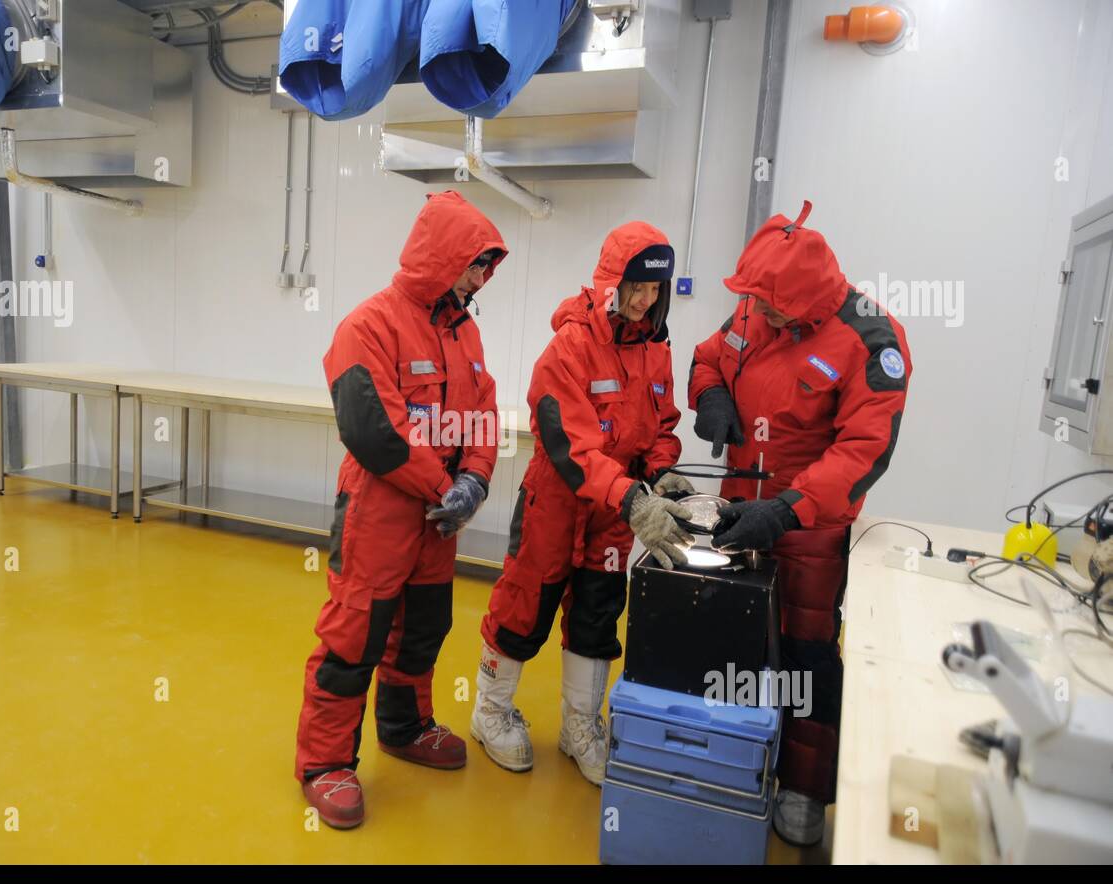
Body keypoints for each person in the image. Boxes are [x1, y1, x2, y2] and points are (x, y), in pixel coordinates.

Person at [688, 200, 912, 846]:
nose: (762, 315)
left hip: (810, 523)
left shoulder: (872, 338)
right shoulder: (758, 306)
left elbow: (862, 451)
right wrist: (711, 394)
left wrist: (787, 508)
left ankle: (804, 786)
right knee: (729, 639)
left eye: (774, 309)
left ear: (806, 301)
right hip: (736, 507)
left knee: (806, 654)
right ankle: (726, 759)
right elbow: (709, 355)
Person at [295, 190, 507, 829]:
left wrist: (475, 477)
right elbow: (375, 431)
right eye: (477, 263)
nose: (482, 277)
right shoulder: (368, 325)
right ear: (444, 259)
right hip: (380, 511)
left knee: (423, 627)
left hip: (438, 520)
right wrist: (447, 488)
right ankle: (324, 763)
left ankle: (404, 727)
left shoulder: (464, 331)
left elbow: (482, 412)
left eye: (488, 266)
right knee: (354, 633)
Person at [469, 222, 695, 786]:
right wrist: (632, 496)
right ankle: (490, 713)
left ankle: (580, 726)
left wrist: (662, 473)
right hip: (558, 502)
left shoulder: (657, 347)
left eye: (655, 291)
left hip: (615, 515)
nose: (645, 302)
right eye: (637, 288)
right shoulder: (568, 347)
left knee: (597, 614)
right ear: (613, 282)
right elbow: (569, 445)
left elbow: (663, 426)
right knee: (525, 608)